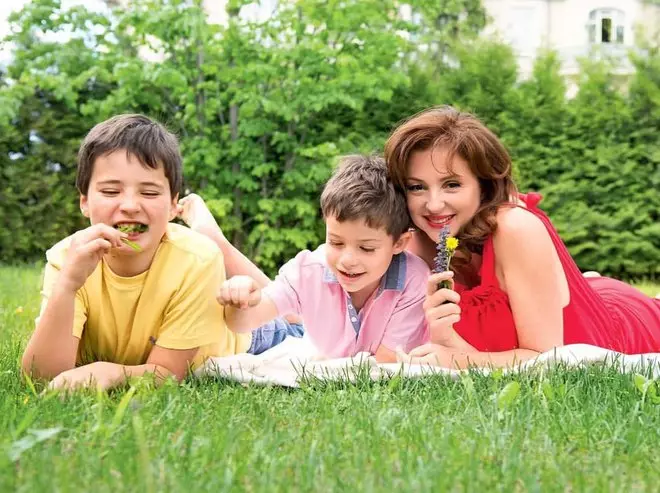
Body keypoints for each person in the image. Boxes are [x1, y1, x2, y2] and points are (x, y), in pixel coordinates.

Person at [384, 106, 660, 368]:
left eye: (452, 184)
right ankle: (586, 283)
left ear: (483, 186)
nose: (433, 204)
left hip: (627, 330)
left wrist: (457, 361)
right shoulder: (417, 240)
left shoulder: (515, 228)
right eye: (417, 187)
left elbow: (545, 360)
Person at [21, 114, 250, 390]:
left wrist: (108, 372)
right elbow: (40, 376)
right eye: (110, 191)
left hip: (247, 333)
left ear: (172, 204)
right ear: (84, 201)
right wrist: (68, 285)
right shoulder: (65, 259)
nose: (129, 205)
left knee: (299, 319)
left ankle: (212, 233)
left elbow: (167, 373)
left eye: (150, 193)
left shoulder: (198, 260)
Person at [209, 155, 430, 362]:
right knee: (269, 332)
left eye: (366, 248)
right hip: (304, 335)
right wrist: (240, 302)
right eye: (336, 242)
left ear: (399, 243)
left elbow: (386, 363)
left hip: (330, 349)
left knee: (291, 327)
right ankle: (213, 237)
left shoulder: (414, 279)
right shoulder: (307, 269)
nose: (347, 260)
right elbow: (243, 324)